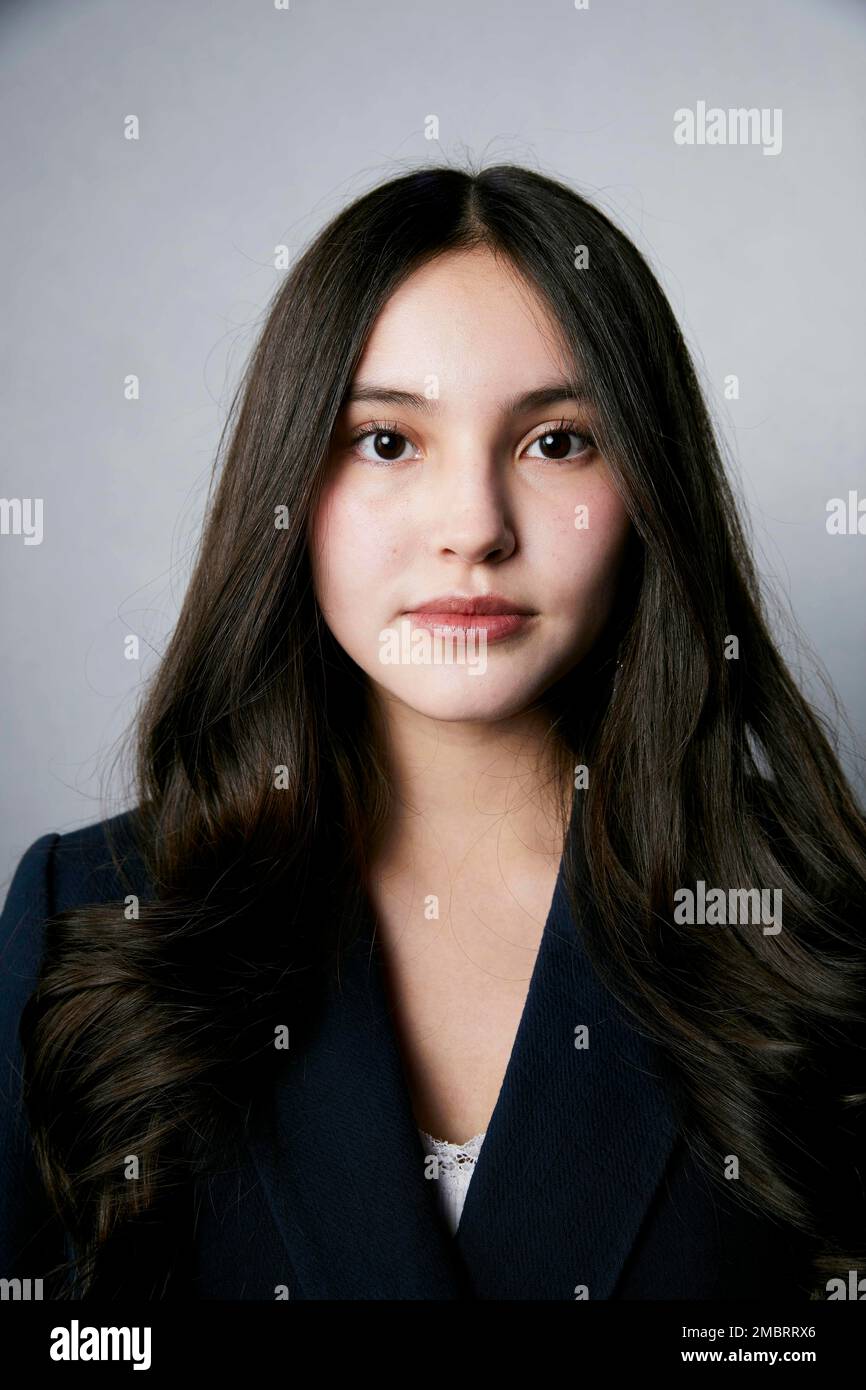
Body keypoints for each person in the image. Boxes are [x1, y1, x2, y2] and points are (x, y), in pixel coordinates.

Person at [1, 162, 864, 1301]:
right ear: (288, 483)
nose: (472, 527)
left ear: (649, 486)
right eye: (386, 442)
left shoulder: (809, 924)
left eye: (555, 441)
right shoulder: (91, 911)